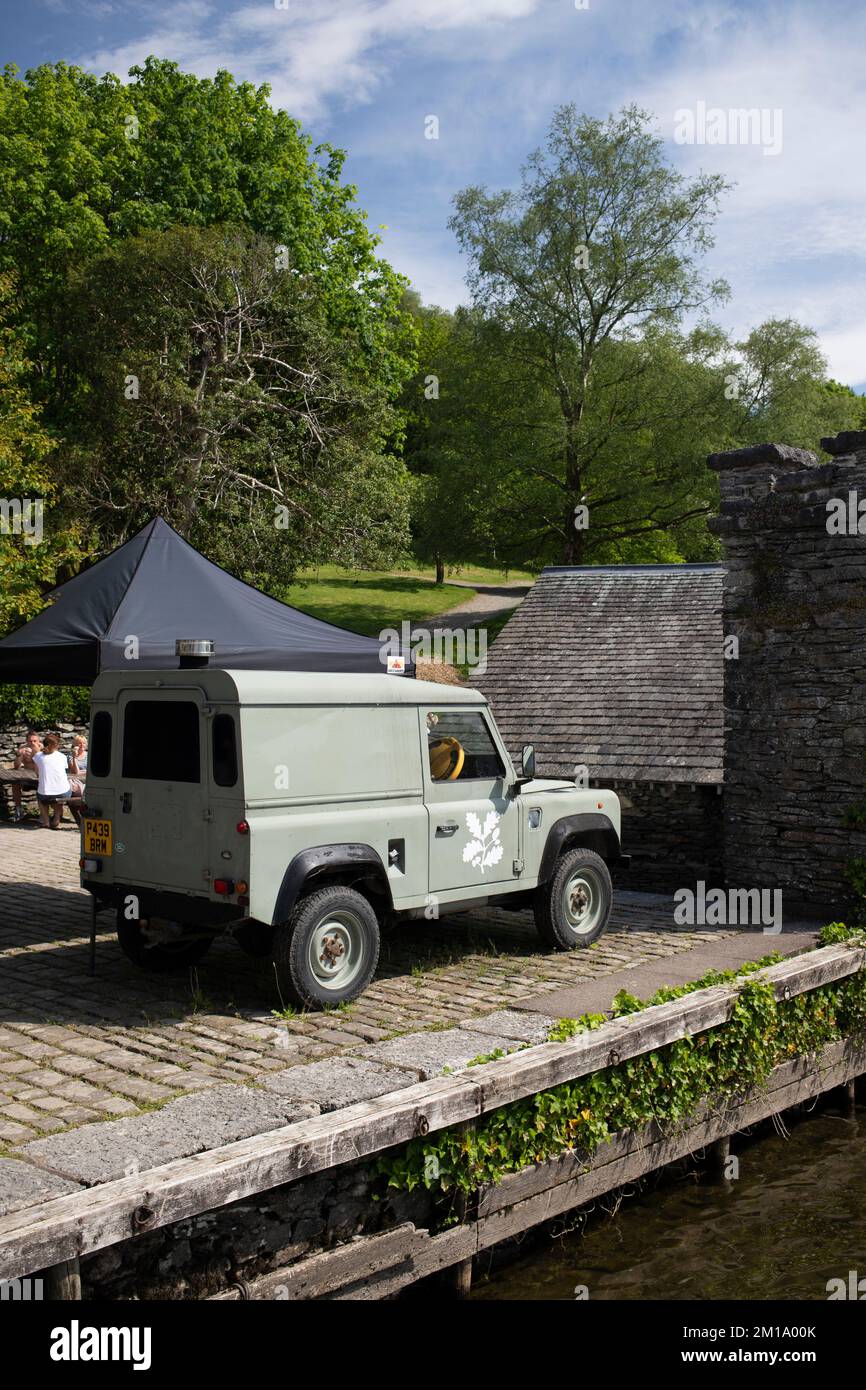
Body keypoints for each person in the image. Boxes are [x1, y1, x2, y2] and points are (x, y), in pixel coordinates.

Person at [33, 732, 72, 829]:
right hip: (63, 792)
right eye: (57, 744)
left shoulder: (38, 756)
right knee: (60, 792)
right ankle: (56, 818)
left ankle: (46, 821)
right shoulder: (62, 756)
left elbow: (37, 774)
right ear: (54, 745)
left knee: (40, 797)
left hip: (45, 793)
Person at [11, 730, 42, 821]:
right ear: (27, 741)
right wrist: (19, 755)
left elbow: (44, 764)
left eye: (35, 741)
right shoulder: (23, 748)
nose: (32, 743)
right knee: (15, 783)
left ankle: (43, 813)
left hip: (39, 776)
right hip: (26, 776)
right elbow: (16, 766)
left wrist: (38, 753)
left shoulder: (43, 748)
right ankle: (18, 810)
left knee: (43, 785)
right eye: (30, 741)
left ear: (38, 741)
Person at [67, 734, 88, 825]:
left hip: (87, 781)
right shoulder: (70, 756)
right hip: (76, 781)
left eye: (83, 743)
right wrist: (75, 757)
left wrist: (82, 772)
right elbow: (76, 772)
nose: (81, 745)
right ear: (74, 745)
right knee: (77, 794)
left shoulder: (88, 755)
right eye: (79, 743)